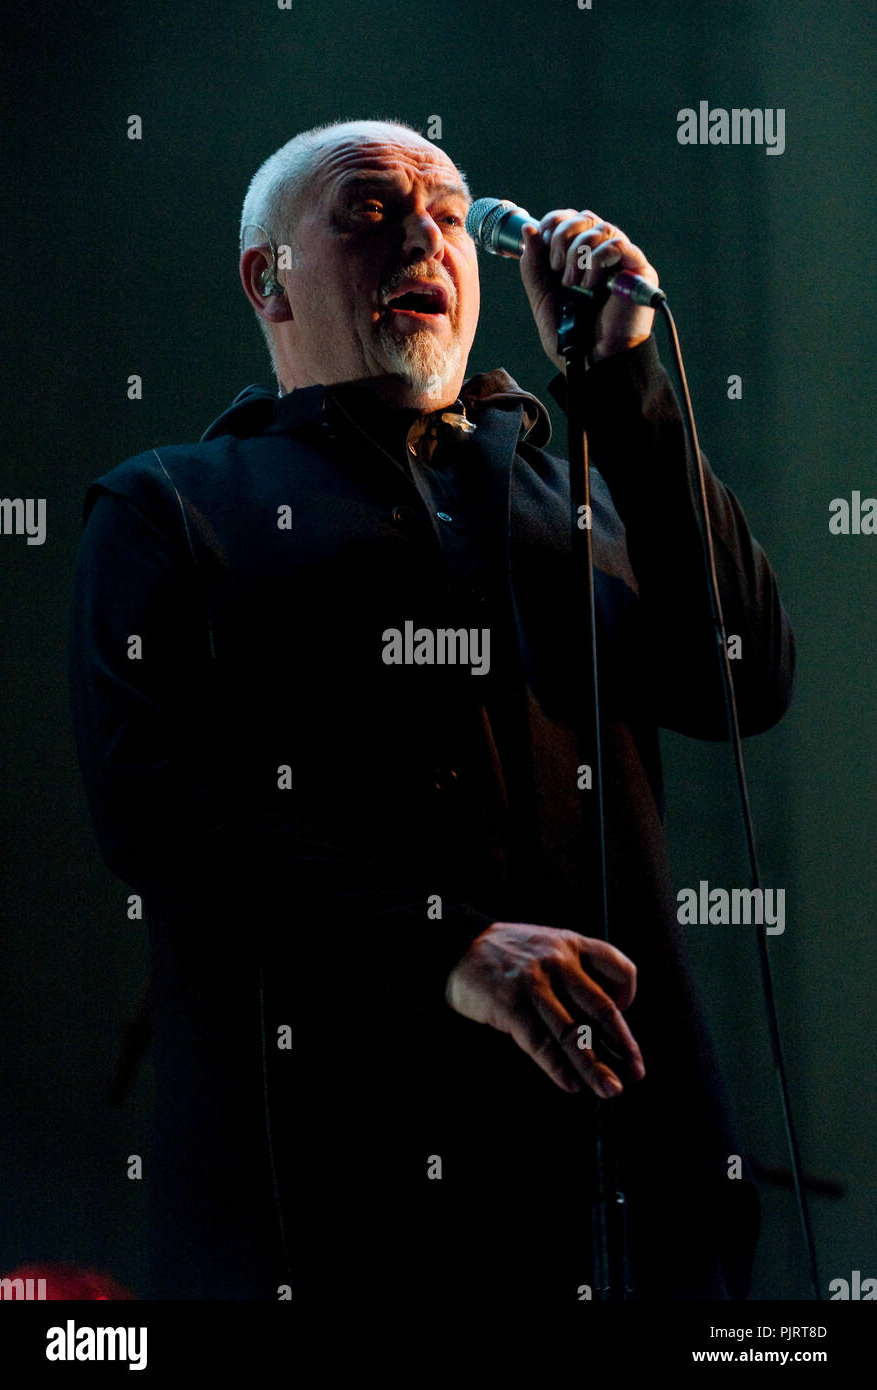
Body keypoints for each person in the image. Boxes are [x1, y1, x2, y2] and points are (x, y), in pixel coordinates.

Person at [68, 118, 795, 1303]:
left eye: (449, 213)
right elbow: (156, 810)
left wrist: (620, 380)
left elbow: (744, 680)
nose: (425, 234)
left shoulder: (582, 497)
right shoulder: (173, 508)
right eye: (368, 209)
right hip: (329, 1205)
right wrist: (446, 944)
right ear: (269, 278)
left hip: (615, 1205)